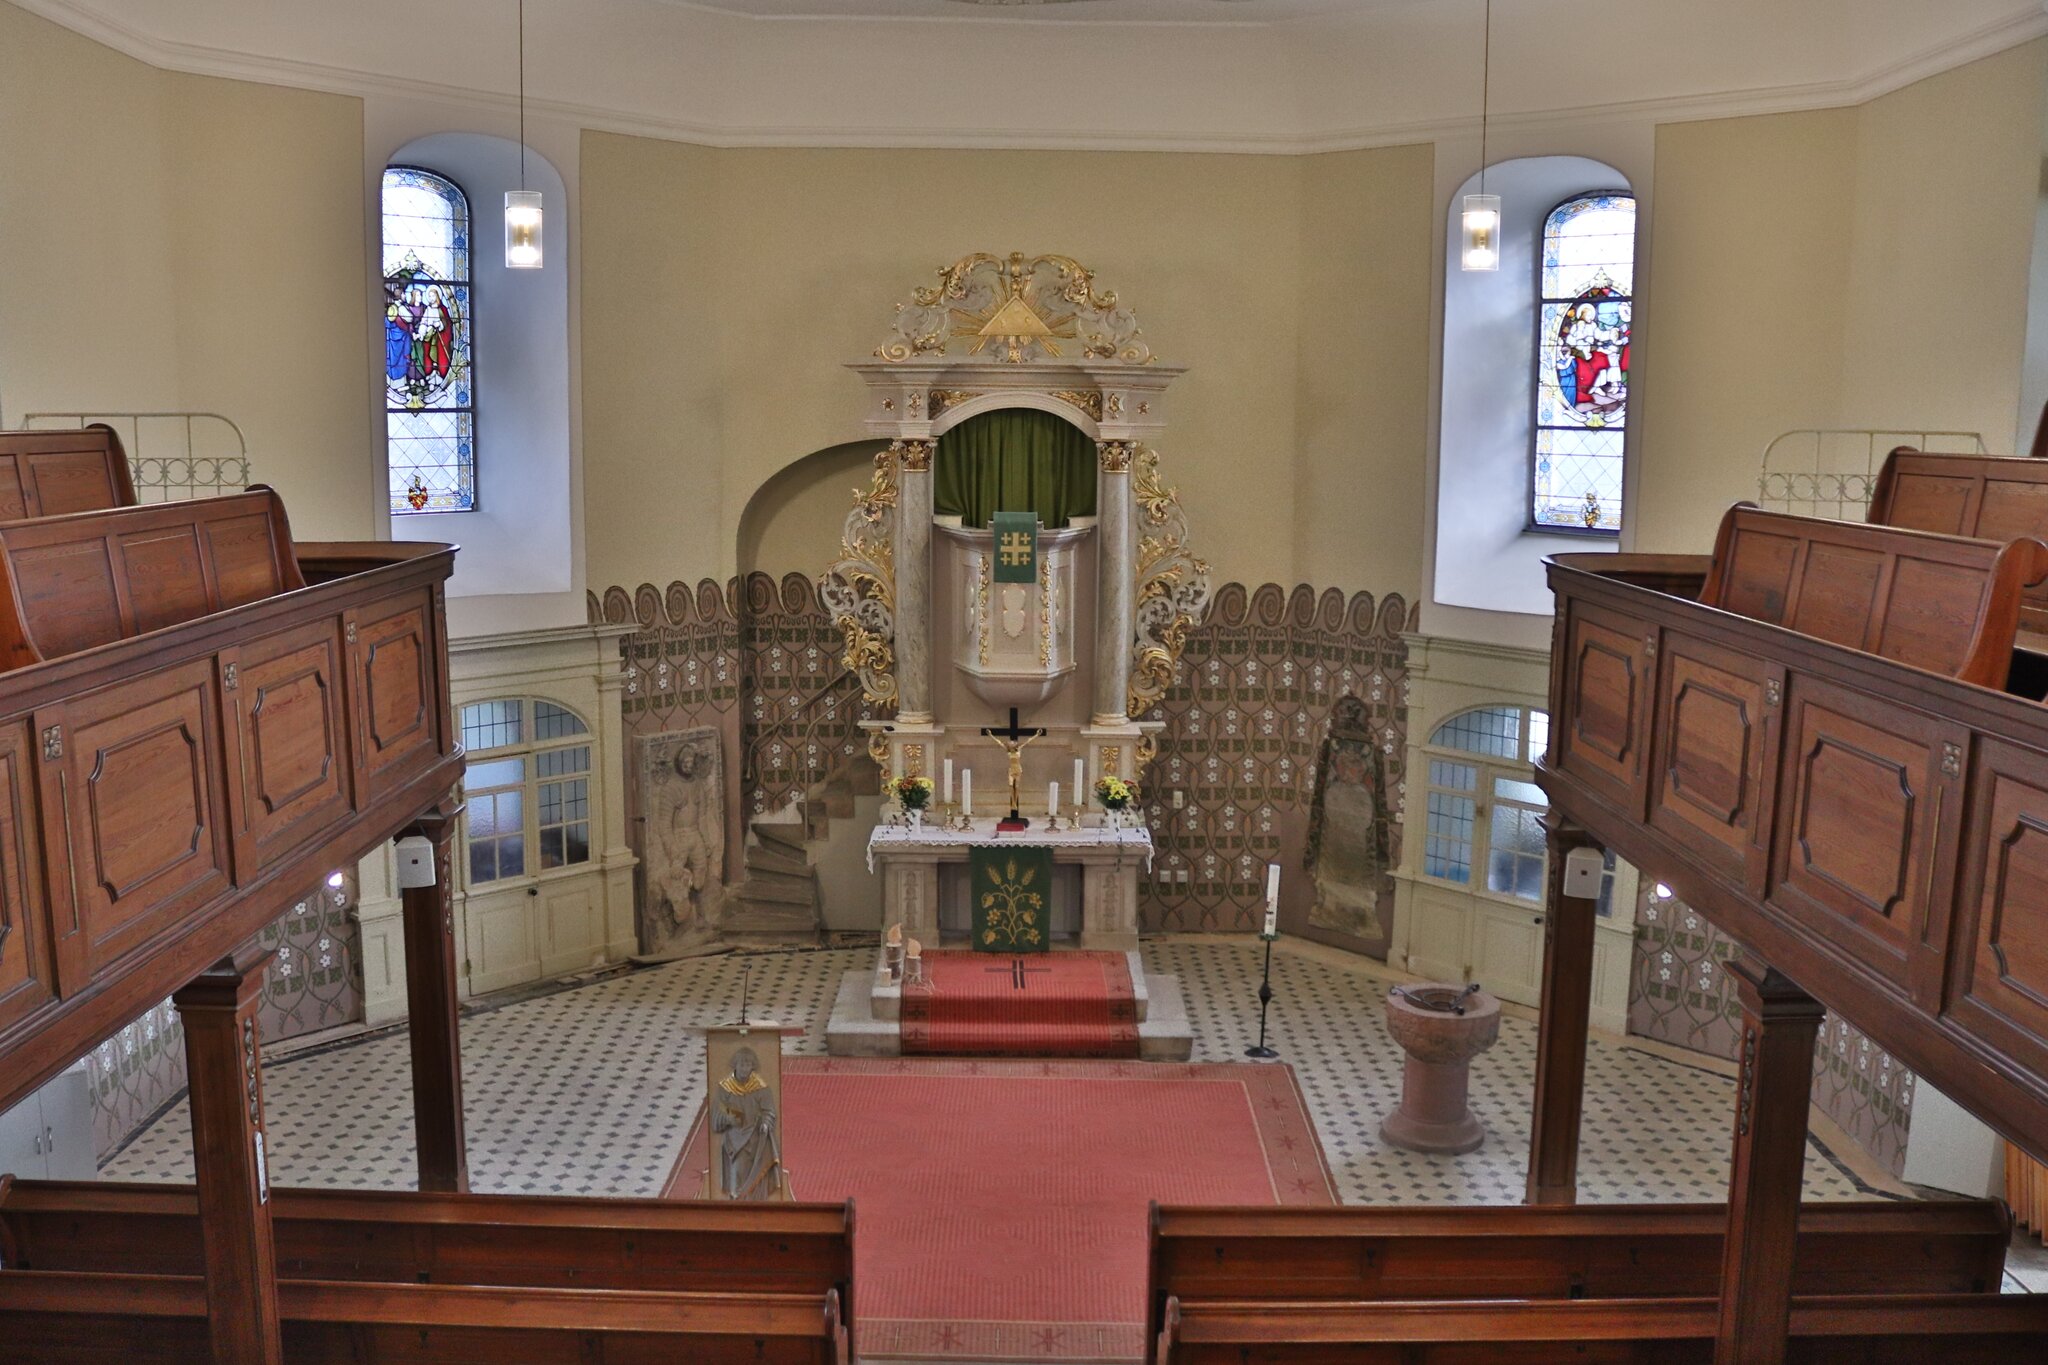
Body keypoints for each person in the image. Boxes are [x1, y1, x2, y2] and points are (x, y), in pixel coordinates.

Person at [711, 1046, 781, 1200]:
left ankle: (756, 1214)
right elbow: (716, 1117)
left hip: (757, 1140)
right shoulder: (725, 1088)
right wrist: (728, 1118)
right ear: (735, 1065)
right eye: (741, 1064)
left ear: (752, 1066)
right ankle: (738, 1214)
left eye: (748, 1064)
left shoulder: (761, 1088)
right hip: (735, 1142)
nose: (744, 1068)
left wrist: (765, 1123)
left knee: (757, 1180)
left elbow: (769, 1112)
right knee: (737, 1175)